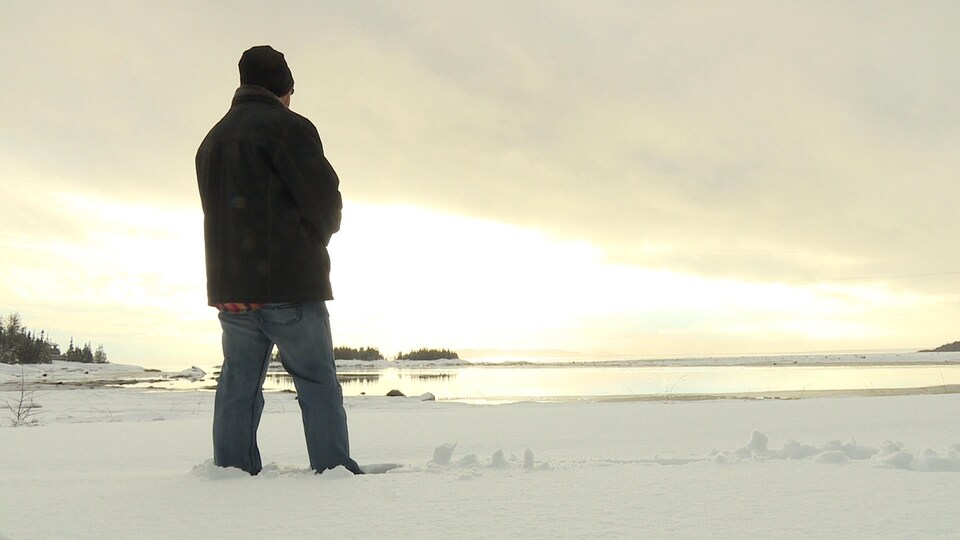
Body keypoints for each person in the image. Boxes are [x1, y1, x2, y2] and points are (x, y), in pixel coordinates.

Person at [195, 45, 361, 475]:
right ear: (283, 87)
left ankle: (230, 473)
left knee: (238, 386)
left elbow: (216, 211)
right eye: (291, 88)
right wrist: (314, 239)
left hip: (232, 291)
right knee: (316, 382)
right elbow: (324, 202)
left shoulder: (212, 140)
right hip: (289, 285)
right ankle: (333, 473)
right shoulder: (289, 129)